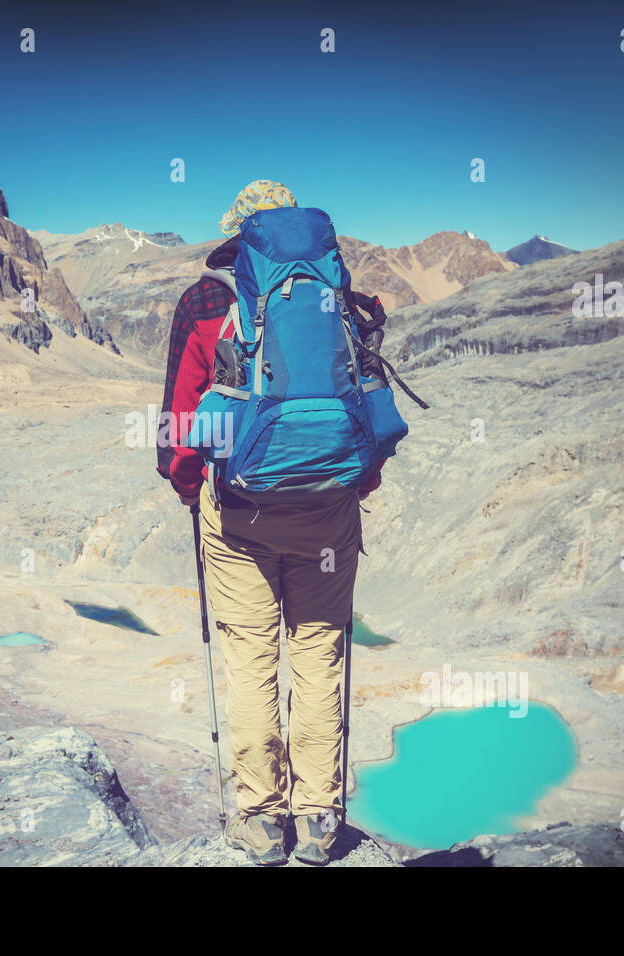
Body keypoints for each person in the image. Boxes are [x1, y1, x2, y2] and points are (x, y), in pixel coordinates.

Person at [156, 180, 387, 865]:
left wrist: (190, 488)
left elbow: (178, 419)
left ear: (236, 237)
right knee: (319, 654)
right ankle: (319, 820)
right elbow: (366, 399)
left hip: (240, 515)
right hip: (328, 513)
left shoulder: (204, 304)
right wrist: (351, 485)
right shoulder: (337, 298)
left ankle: (261, 821)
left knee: (250, 659)